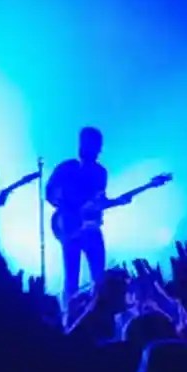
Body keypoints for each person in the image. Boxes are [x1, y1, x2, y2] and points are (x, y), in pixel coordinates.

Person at [47, 127, 109, 302]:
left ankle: (97, 310)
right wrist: (65, 211)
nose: (94, 150)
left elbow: (99, 199)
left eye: (96, 145)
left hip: (91, 228)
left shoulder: (100, 172)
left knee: (99, 279)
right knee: (71, 279)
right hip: (71, 229)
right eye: (88, 144)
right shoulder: (66, 168)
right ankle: (70, 316)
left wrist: (111, 202)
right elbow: (50, 192)